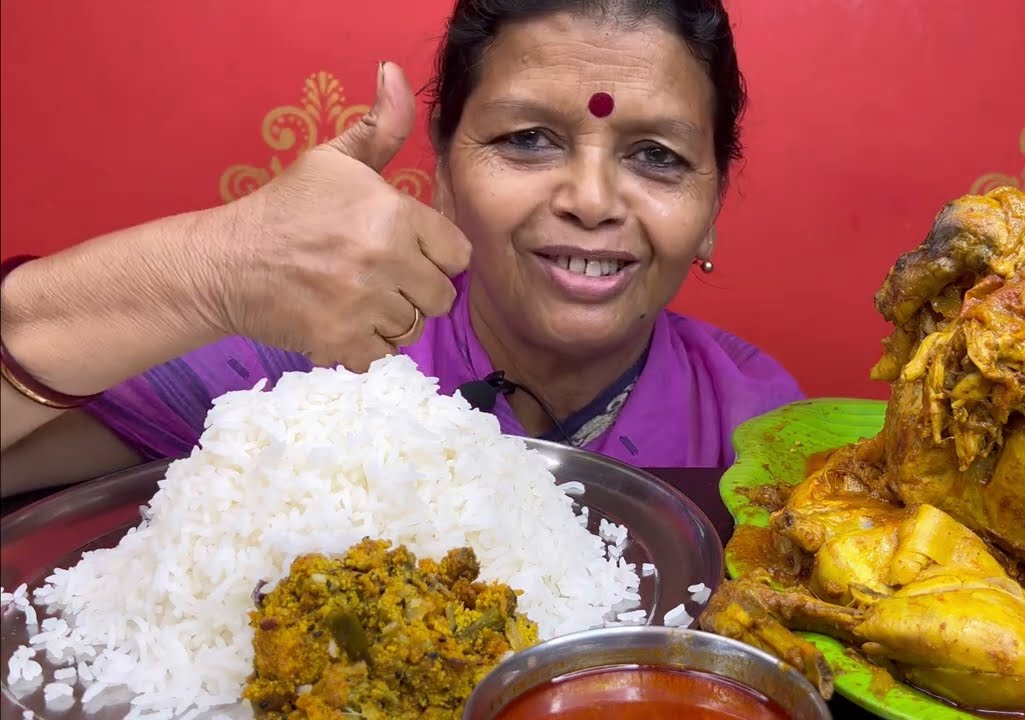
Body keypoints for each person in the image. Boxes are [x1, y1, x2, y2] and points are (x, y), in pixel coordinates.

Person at [0, 0, 804, 497]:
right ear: (446, 174)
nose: (591, 201)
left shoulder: (757, 419)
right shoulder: (294, 362)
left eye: (657, 156)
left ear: (710, 207)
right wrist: (217, 265)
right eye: (528, 139)